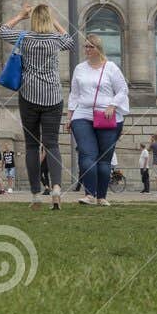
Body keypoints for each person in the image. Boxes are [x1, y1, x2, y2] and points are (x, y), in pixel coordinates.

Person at [0, 3, 74, 210]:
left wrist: (20, 15)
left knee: (32, 146)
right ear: (48, 20)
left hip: (29, 97)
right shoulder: (55, 40)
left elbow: (2, 30)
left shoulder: (25, 38)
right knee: (52, 145)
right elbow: (70, 40)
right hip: (53, 97)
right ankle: (56, 188)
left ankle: (35, 195)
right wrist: (55, 22)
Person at [66, 34, 129, 205]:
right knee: (87, 154)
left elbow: (122, 90)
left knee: (104, 159)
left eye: (90, 47)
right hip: (83, 115)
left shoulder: (111, 68)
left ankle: (101, 197)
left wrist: (113, 105)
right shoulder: (79, 68)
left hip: (107, 116)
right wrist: (70, 115)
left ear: (98, 49)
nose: (87, 50)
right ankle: (89, 194)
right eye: (85, 46)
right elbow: (74, 93)